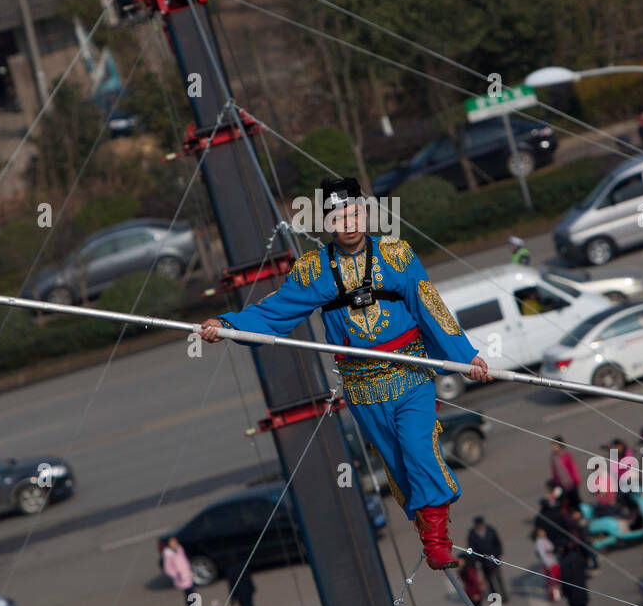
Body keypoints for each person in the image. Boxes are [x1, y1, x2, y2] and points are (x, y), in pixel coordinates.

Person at [200, 177, 491, 570]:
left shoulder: (396, 255)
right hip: (363, 388)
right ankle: (425, 529)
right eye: (338, 216)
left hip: (410, 374)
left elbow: (430, 307)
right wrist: (227, 325)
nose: (348, 222)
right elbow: (273, 312)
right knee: (398, 461)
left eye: (354, 213)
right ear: (326, 223)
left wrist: (465, 357)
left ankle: (438, 541)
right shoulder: (313, 270)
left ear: (366, 214)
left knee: (420, 450)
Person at [558, 540, 595, 606]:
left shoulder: (564, 561)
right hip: (582, 588)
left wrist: (564, 592)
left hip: (573, 593)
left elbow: (565, 578)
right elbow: (584, 566)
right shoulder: (576, 555)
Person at [467, 517, 507, 602]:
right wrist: (476, 561)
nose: (480, 526)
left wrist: (498, 555)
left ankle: (504, 595)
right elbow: (471, 548)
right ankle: (495, 597)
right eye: (478, 525)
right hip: (483, 562)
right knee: (489, 581)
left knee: (499, 578)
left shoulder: (490, 530)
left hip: (494, 559)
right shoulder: (472, 534)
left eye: (481, 524)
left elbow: (497, 543)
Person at [162, 537, 198, 606]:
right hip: (181, 578)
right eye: (172, 543)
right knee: (190, 595)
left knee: (192, 594)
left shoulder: (179, 549)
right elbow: (168, 568)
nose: (175, 544)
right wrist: (176, 574)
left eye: (175, 542)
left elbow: (183, 560)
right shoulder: (168, 554)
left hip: (187, 575)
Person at [549, 438, 581, 509]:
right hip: (561, 484)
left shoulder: (566, 455)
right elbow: (554, 472)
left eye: (555, 445)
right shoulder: (553, 457)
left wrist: (576, 480)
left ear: (560, 446)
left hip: (571, 483)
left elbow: (572, 468)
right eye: (552, 445)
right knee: (566, 502)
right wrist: (555, 483)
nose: (553, 447)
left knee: (575, 501)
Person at [534, 526, 562, 602]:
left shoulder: (544, 539)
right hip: (549, 564)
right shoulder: (539, 542)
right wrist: (547, 565)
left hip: (553, 562)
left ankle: (558, 594)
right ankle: (555, 596)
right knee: (553, 582)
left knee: (556, 580)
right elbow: (542, 555)